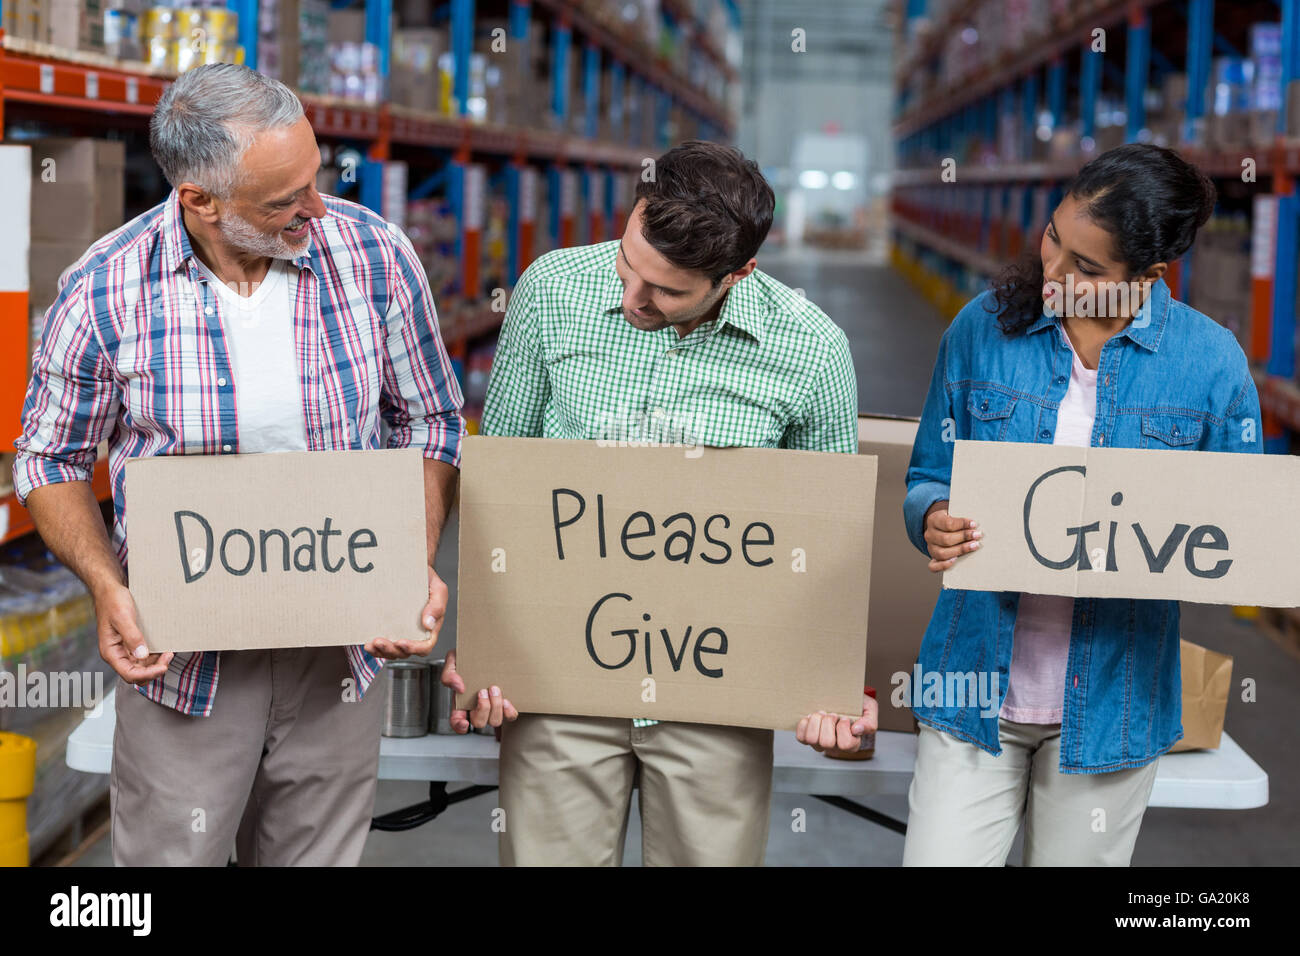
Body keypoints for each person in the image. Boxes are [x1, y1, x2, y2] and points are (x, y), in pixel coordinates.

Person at [11, 63, 464, 866]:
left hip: (339, 642)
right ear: (199, 200)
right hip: (185, 654)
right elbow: (49, 458)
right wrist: (107, 588)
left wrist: (408, 561)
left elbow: (429, 418)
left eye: (314, 180)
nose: (315, 209)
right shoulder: (107, 289)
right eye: (284, 201)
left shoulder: (374, 256)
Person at [439, 140, 875, 865]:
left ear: (738, 273)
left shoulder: (811, 351)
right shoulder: (552, 290)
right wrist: (483, 642)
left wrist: (835, 680)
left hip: (718, 692)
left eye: (667, 292)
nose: (632, 298)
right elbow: (498, 483)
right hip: (559, 680)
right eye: (627, 264)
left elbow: (828, 546)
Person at [901, 144, 1261, 866]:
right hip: (974, 684)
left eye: (1087, 270)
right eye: (1053, 240)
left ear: (1149, 277)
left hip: (1111, 701)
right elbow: (928, 475)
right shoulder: (982, 328)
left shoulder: (1210, 363)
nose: (1053, 275)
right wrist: (932, 517)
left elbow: (1240, 530)